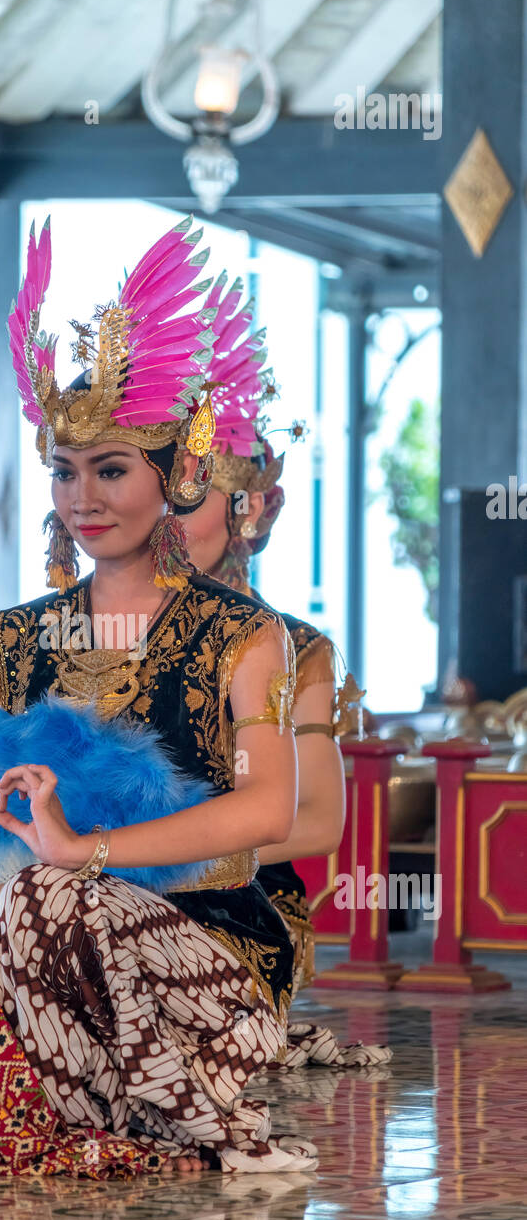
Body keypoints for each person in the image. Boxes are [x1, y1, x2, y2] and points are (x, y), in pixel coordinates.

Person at [0, 216, 320, 1178]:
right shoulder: (16, 638)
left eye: (111, 470)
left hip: (208, 955)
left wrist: (85, 857)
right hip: (40, 949)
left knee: (54, 899)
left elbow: (272, 810)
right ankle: (137, 1125)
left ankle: (217, 1128)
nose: (83, 497)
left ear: (176, 477)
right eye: (64, 472)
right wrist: (15, 903)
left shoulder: (243, 635)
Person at [182, 348, 390, 1069]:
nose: (163, 521)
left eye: (190, 497)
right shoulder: (78, 634)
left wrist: (150, 863)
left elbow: (319, 821)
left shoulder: (297, 649)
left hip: (237, 905)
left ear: (251, 508)